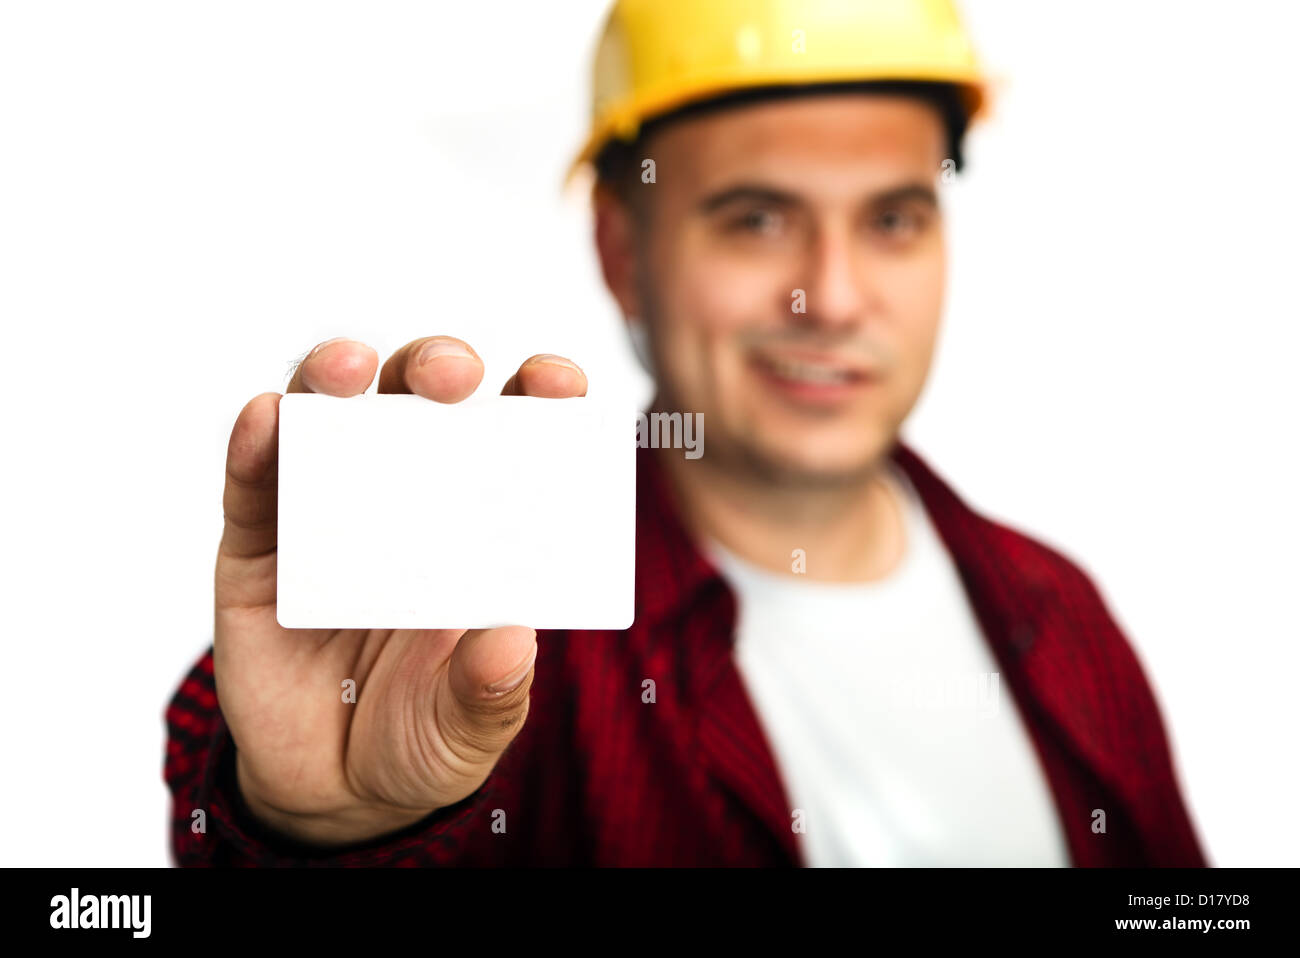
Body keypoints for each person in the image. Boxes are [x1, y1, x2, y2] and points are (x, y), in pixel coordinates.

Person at [166, 0, 1205, 866]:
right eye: (755, 217)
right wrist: (313, 832)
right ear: (623, 248)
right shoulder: (484, 644)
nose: (833, 297)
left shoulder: (1060, 613)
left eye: (891, 218)